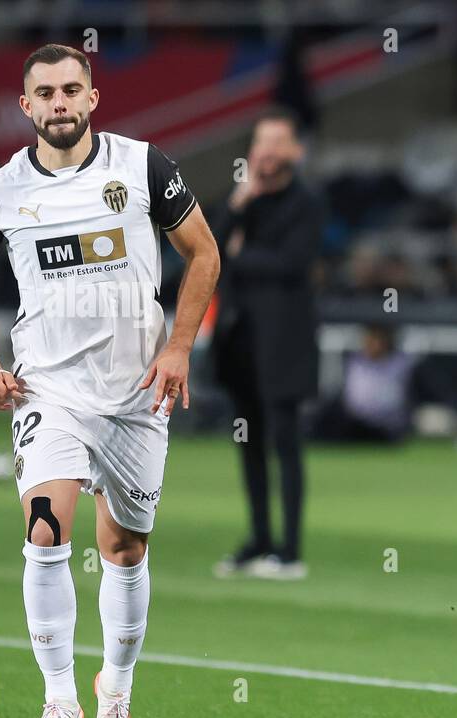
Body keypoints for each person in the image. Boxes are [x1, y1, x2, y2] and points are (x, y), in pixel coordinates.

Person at [0, 44, 220, 718]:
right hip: (50, 389)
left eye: (72, 89)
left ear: (92, 99)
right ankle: (59, 696)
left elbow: (205, 254)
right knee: (44, 531)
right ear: (26, 106)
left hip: (136, 392)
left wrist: (179, 347)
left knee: (124, 549)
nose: (60, 102)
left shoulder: (142, 167)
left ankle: (116, 695)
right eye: (46, 93)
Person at [210, 107, 324, 581]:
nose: (268, 152)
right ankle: (259, 538)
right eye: (261, 142)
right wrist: (238, 207)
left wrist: (243, 256)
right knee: (248, 443)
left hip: (284, 344)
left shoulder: (308, 202)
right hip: (240, 342)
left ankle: (289, 550)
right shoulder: (242, 202)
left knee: (285, 442)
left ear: (296, 151)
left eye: (278, 142)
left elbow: (293, 263)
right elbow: (208, 254)